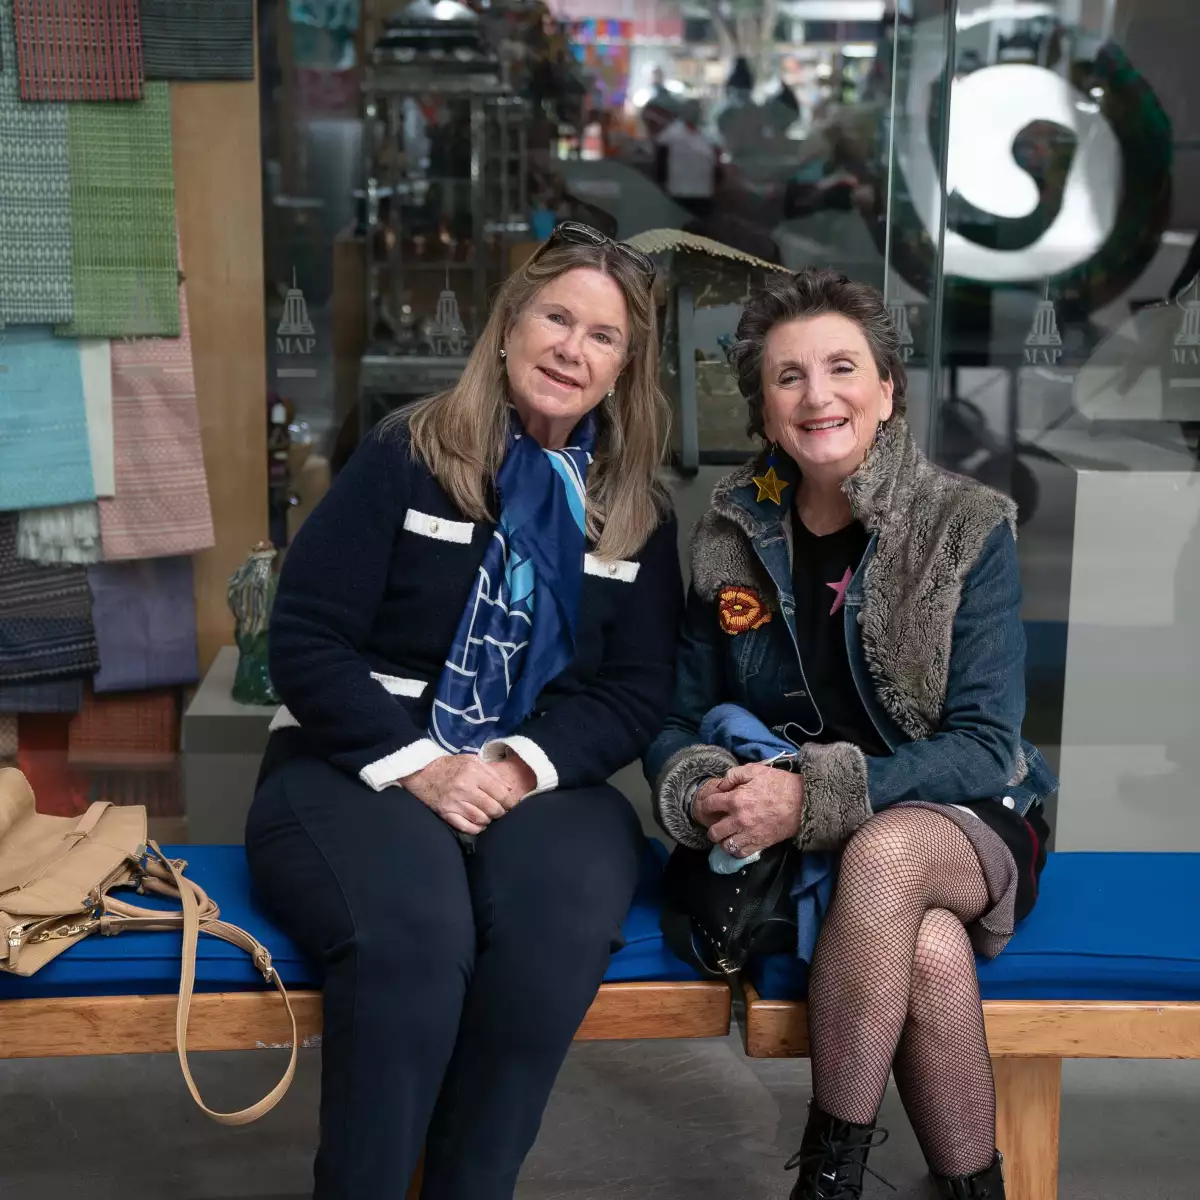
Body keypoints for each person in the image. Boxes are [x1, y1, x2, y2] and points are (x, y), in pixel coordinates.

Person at [246, 222, 682, 1200]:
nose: (573, 348)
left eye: (602, 336)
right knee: (414, 939)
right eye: (556, 317)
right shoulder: (408, 453)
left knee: (553, 929)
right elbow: (305, 639)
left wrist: (519, 764)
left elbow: (634, 689)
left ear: (625, 368)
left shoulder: (638, 511)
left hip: (533, 771)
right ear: (507, 327)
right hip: (359, 761)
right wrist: (426, 768)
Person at [645, 267, 1057, 1199]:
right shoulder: (730, 527)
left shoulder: (962, 524)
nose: (817, 395)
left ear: (886, 387)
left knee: (886, 852)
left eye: (841, 367)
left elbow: (987, 743)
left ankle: (827, 1177)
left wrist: (813, 797)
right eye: (788, 376)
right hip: (801, 841)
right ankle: (972, 1188)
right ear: (762, 403)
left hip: (968, 816)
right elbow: (676, 718)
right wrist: (705, 784)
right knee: (929, 951)